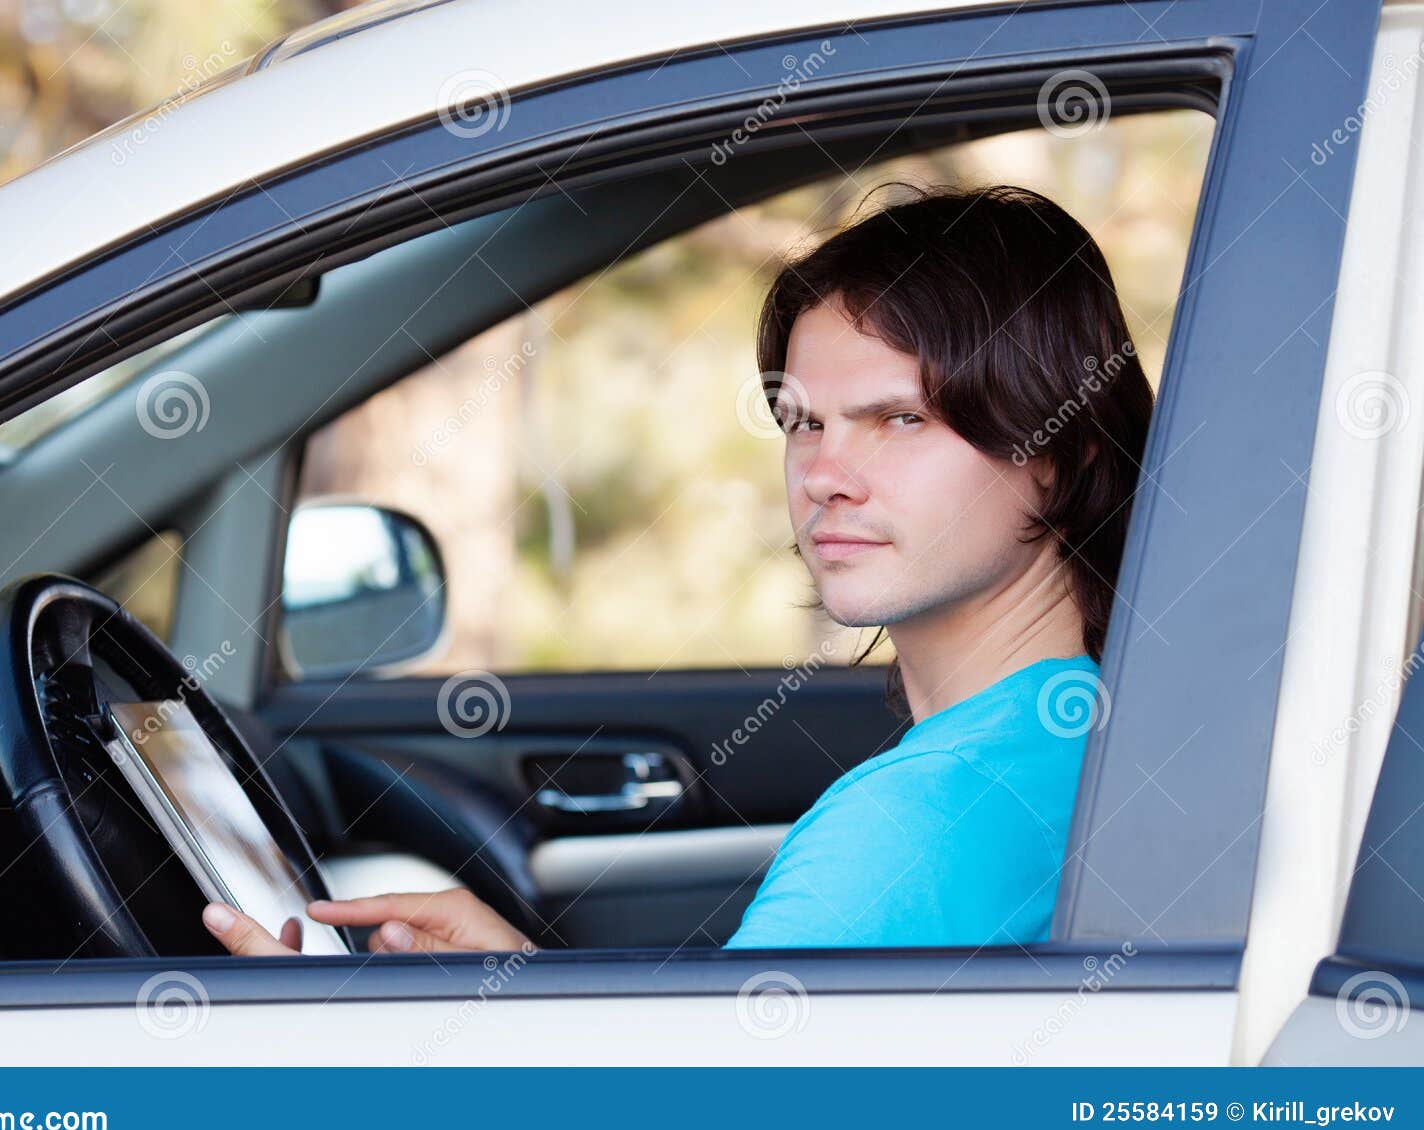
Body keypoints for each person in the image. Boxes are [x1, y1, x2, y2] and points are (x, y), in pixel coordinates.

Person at [201, 184, 1153, 957]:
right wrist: (517, 996)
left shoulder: (918, 823)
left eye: (898, 419)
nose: (823, 475)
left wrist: (340, 1064)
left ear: (1057, 450)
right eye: (803, 422)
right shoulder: (1086, 732)